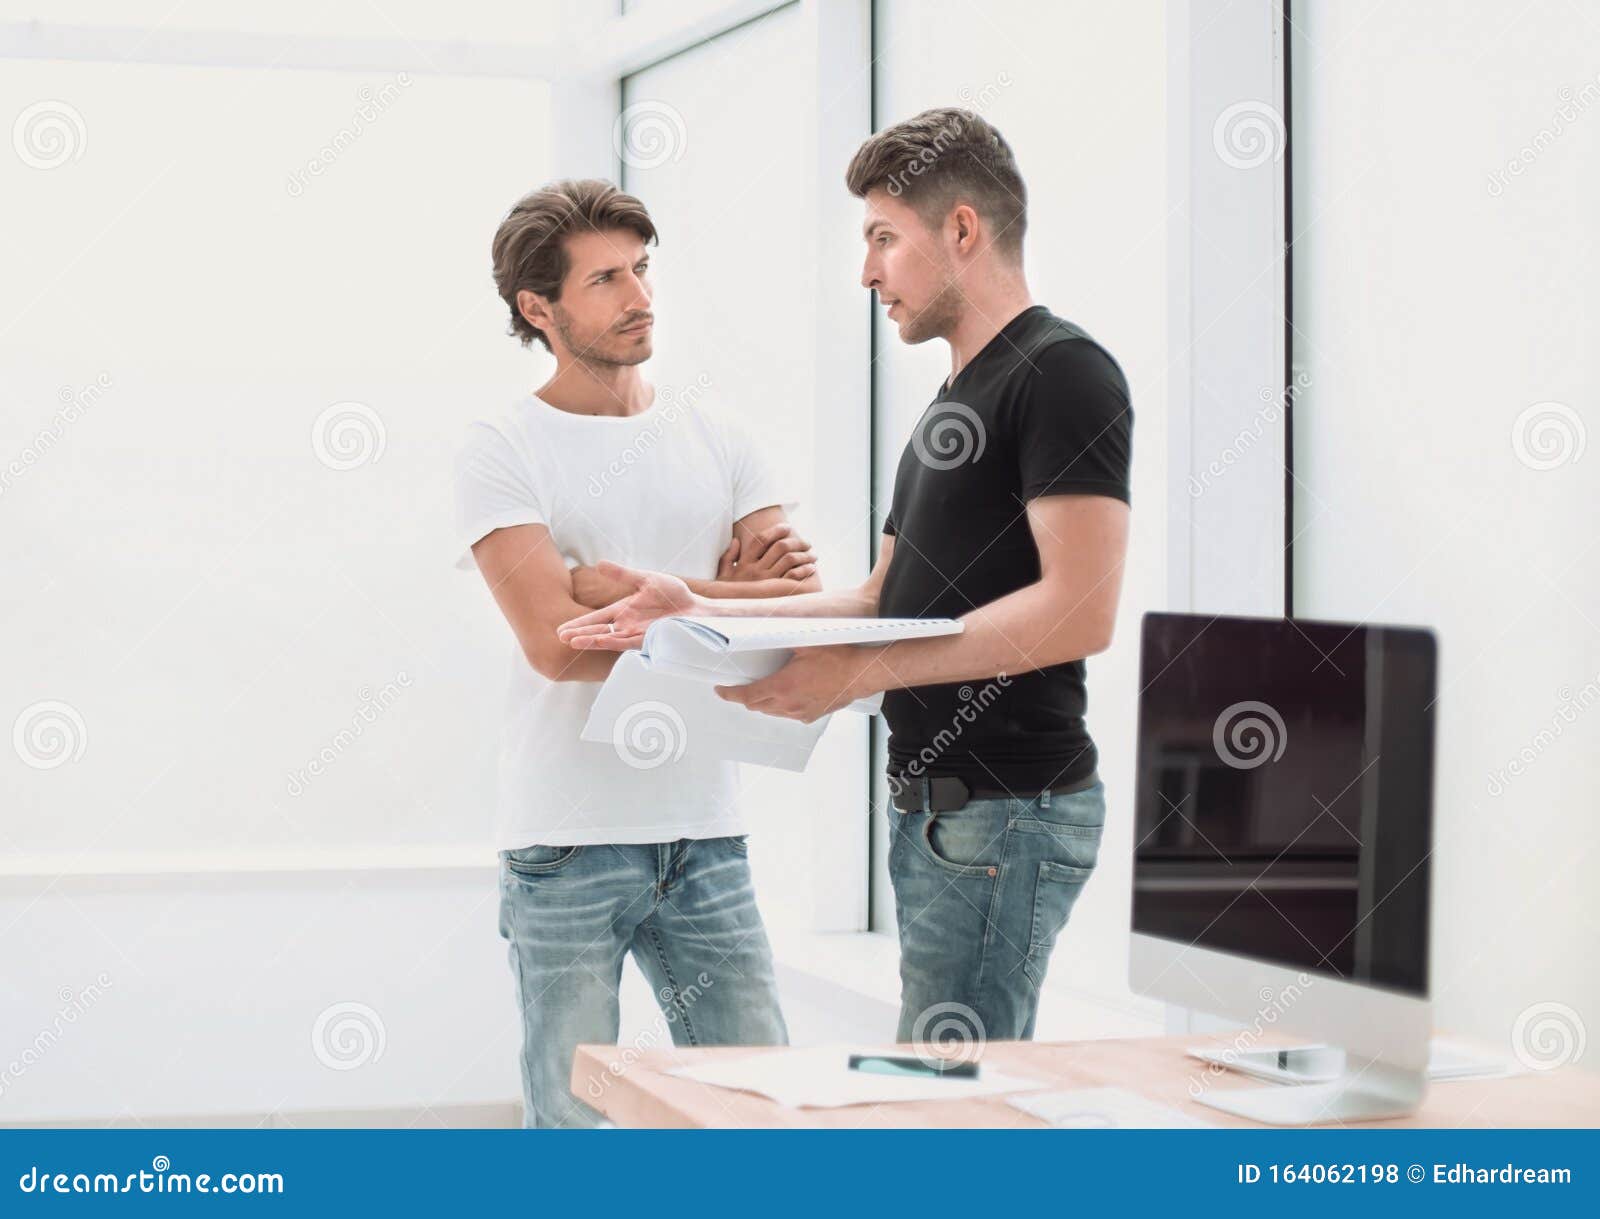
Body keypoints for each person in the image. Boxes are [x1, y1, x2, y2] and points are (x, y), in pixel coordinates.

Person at [556, 110, 1134, 1052]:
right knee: (944, 1088)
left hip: (1006, 809)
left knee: (952, 1102)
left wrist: (852, 678)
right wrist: (696, 602)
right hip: (948, 814)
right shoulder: (953, 403)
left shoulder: (1062, 373)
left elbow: (1079, 609)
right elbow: (880, 598)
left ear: (960, 230)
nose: (867, 272)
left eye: (882, 238)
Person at [455, 178, 817, 1126]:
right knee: (575, 1134)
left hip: (706, 831)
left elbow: (799, 622)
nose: (640, 296)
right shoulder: (503, 445)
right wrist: (729, 609)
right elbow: (555, 646)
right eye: (606, 279)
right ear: (540, 308)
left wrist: (641, 596)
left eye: (643, 269)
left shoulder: (721, 435)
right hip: (564, 839)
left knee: (763, 1111)